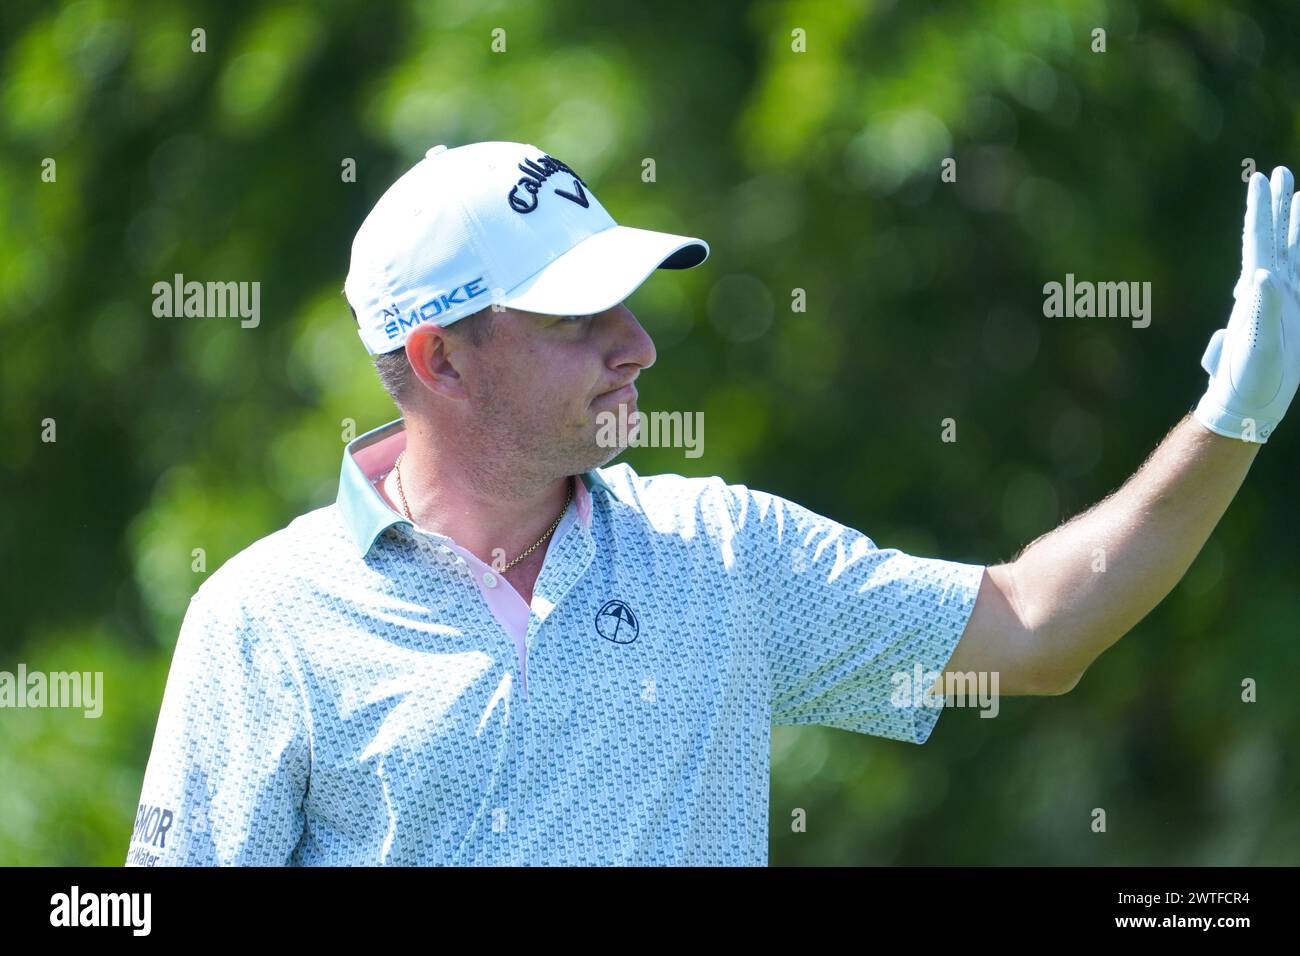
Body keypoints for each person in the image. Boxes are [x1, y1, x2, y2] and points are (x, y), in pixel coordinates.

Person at [125, 141, 1299, 866]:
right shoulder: (266, 620)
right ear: (439, 358)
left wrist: (1229, 418)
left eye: (628, 305)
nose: (634, 345)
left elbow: (1037, 630)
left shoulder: (719, 556)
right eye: (577, 317)